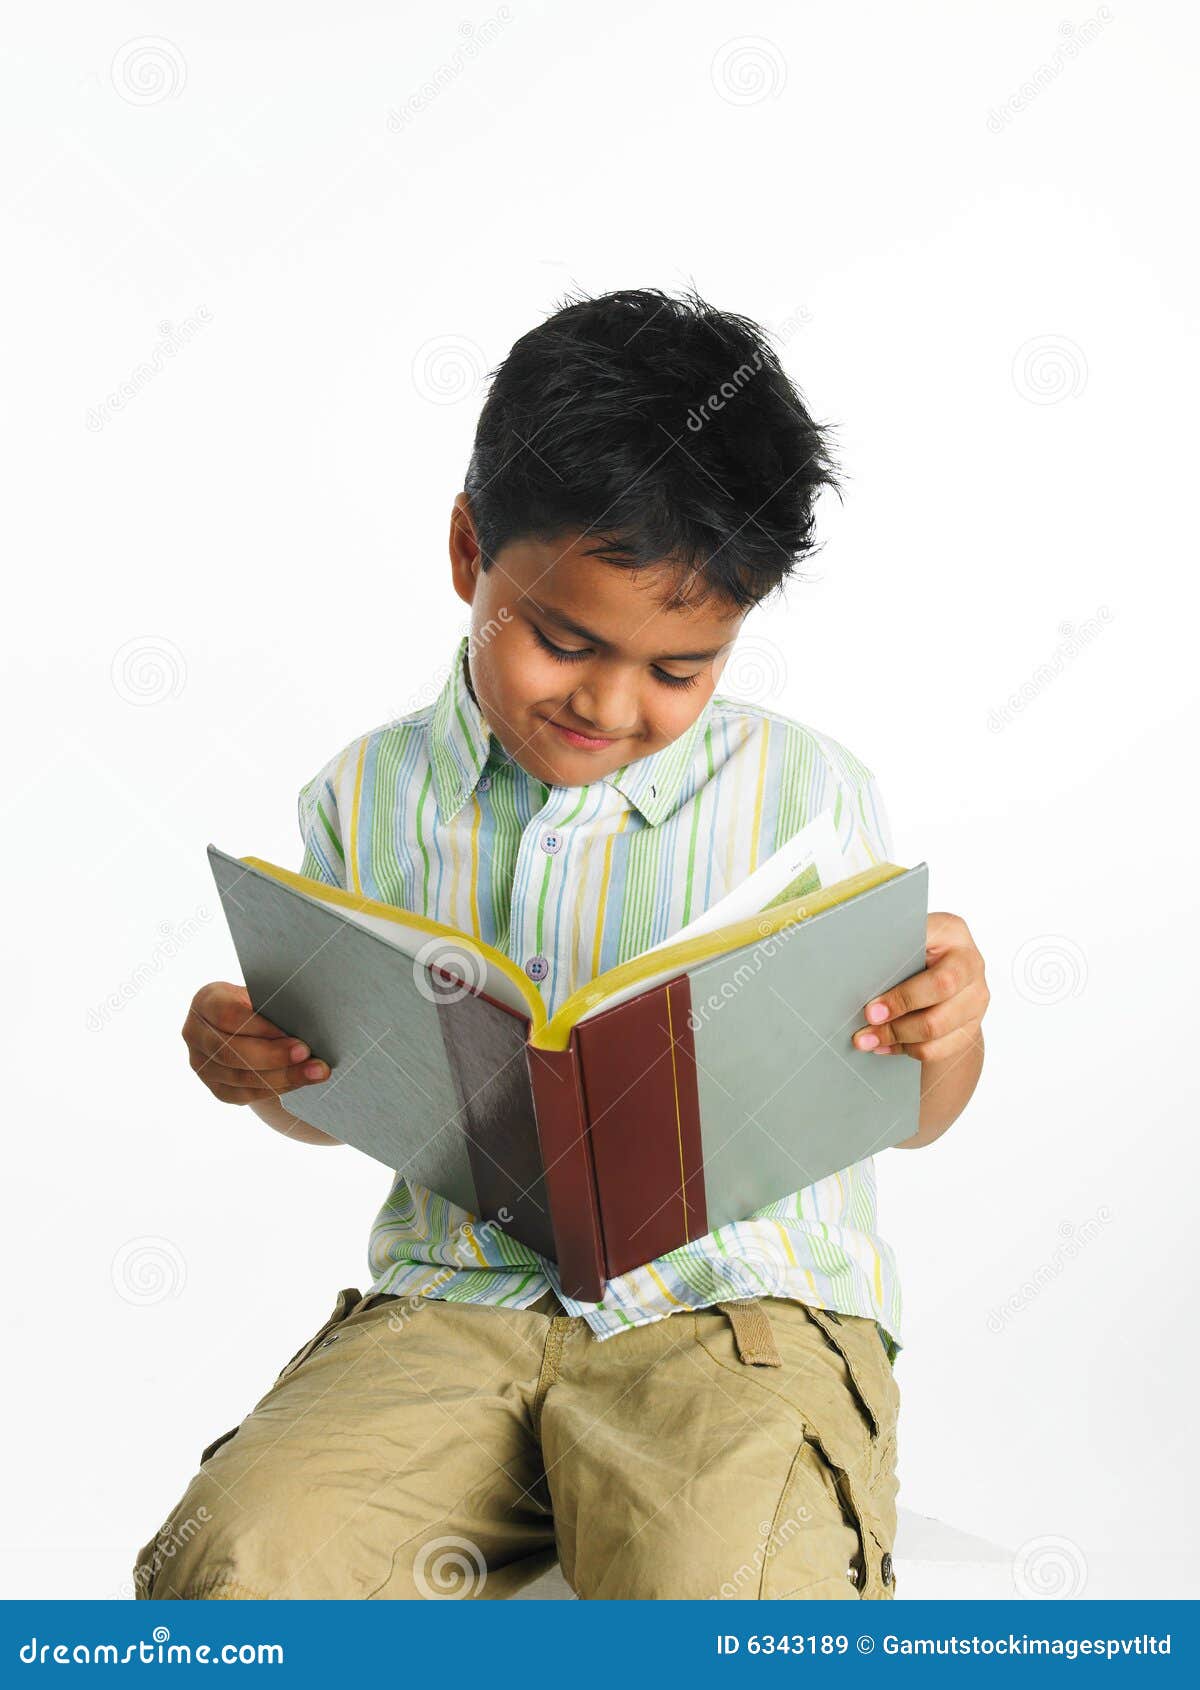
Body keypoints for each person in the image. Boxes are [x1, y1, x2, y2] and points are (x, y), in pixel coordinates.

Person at [136, 286, 989, 1601]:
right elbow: (338, 1094)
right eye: (564, 639)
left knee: (725, 1593)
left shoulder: (809, 794)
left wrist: (948, 1032)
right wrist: (263, 1071)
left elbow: (913, 1114)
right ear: (470, 549)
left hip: (736, 1318)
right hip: (452, 1309)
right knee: (234, 1564)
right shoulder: (366, 798)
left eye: (679, 669)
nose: (609, 701)